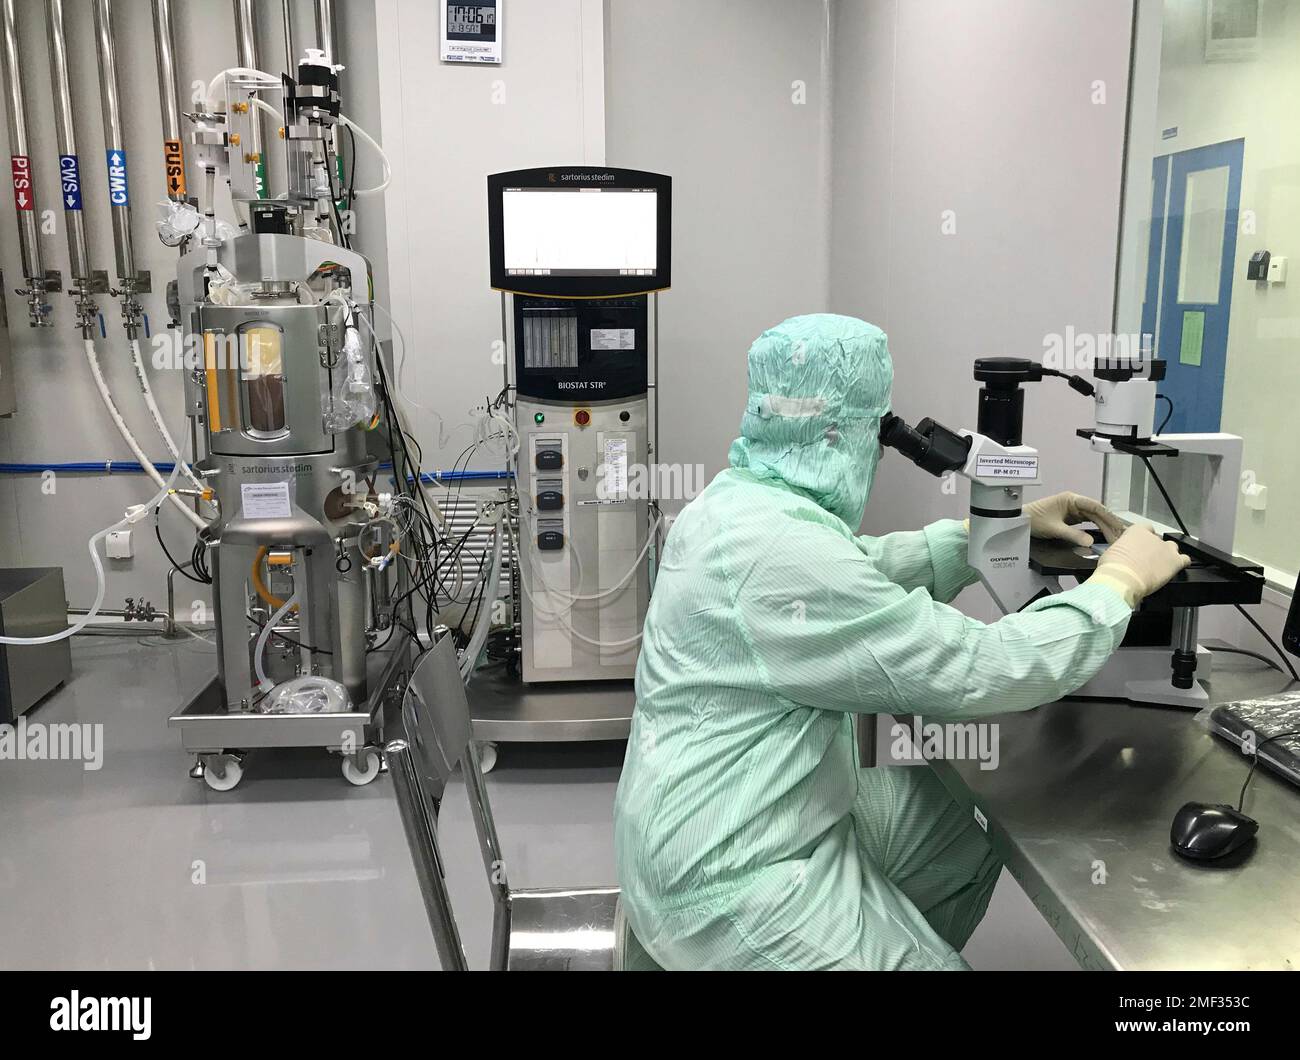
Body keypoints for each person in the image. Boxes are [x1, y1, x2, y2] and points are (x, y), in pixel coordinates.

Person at [613, 313, 1189, 971]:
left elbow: (858, 571)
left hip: (730, 812)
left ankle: (892, 937)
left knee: (971, 819)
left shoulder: (733, 505)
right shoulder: (785, 549)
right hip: (729, 877)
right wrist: (1116, 585)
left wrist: (990, 533)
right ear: (847, 432)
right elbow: (978, 666)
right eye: (879, 431)